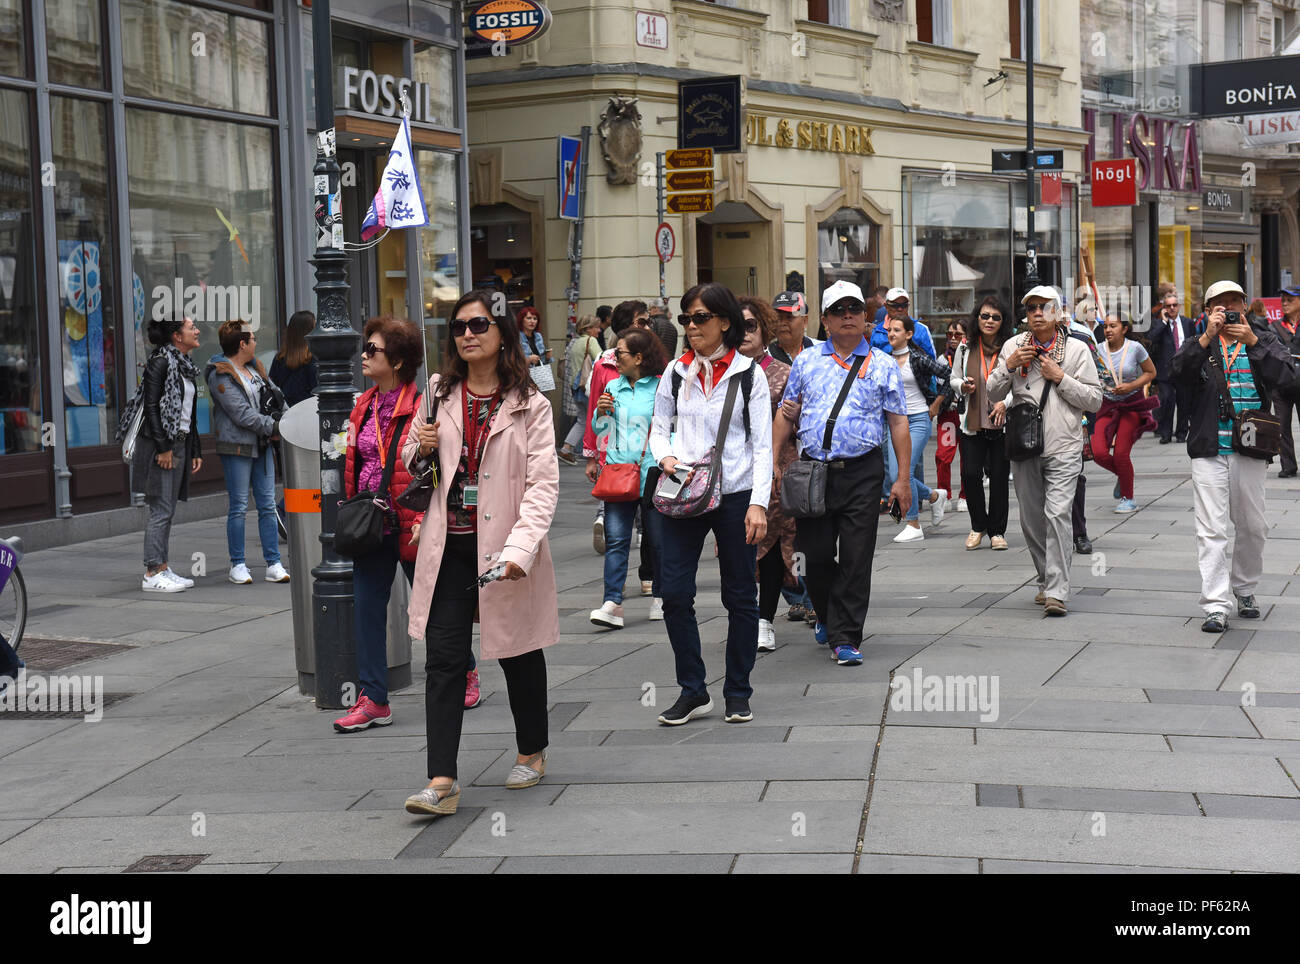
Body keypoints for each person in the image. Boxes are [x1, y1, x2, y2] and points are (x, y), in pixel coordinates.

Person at [401, 291, 560, 816]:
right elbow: (412, 460)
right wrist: (418, 447)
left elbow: (542, 486)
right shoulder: (438, 391)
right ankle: (442, 779)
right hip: (449, 546)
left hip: (504, 547)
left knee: (517, 650)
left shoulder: (529, 404)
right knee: (443, 659)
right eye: (459, 327)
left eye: (479, 325)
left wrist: (520, 549)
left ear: (502, 334)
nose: (467, 334)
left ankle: (531, 749)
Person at [649, 283, 772, 725]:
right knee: (675, 594)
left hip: (736, 494)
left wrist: (759, 504)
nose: (692, 326)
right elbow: (658, 425)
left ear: (724, 322)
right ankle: (693, 690)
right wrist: (664, 457)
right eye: (687, 318)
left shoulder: (749, 375)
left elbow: (762, 446)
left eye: (700, 317)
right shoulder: (675, 372)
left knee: (740, 595)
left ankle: (738, 690)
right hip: (683, 490)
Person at [773, 279, 912, 666]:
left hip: (863, 472)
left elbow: (898, 423)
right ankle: (828, 610)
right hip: (813, 472)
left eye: (854, 310)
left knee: (856, 556)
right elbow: (786, 414)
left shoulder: (882, 365)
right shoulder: (806, 361)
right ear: (825, 321)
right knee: (811, 556)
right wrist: (772, 462)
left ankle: (846, 636)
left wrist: (902, 480)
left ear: (866, 318)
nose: (847, 316)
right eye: (838, 311)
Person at [332, 317, 450, 731]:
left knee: (433, 605)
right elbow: (357, 460)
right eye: (365, 348)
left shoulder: (422, 406)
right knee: (367, 610)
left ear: (397, 361)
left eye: (373, 350)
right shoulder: (362, 404)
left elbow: (431, 466)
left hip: (410, 520)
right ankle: (373, 699)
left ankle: (464, 670)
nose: (363, 355)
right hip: (371, 520)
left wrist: (424, 518)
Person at [1172, 280, 1300, 633]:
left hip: (1251, 448)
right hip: (1209, 449)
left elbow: (1289, 379)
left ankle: (1244, 588)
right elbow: (1177, 373)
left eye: (1235, 303)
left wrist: (1254, 343)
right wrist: (1204, 338)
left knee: (1254, 526)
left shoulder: (1263, 339)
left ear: (1245, 306)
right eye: (1221, 305)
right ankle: (1215, 604)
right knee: (1210, 530)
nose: (1229, 311)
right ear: (1208, 310)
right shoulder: (1200, 343)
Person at [987, 286, 1102, 617]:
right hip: (1024, 444)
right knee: (1030, 519)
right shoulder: (1013, 346)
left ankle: (1056, 591)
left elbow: (1095, 399)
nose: (1037, 313)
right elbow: (991, 391)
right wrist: (1007, 366)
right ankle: (1045, 577)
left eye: (1044, 307)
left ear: (1057, 312)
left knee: (1057, 514)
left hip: (1064, 444)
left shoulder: (1077, 350)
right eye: (1032, 308)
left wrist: (1060, 377)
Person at [589, 328, 668, 629]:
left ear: (638, 357)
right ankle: (612, 602)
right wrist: (600, 413)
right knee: (617, 539)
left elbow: (669, 428)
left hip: (653, 474)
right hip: (618, 473)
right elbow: (601, 431)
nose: (614, 358)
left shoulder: (661, 387)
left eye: (619, 353)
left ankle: (661, 596)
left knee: (658, 540)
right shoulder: (612, 385)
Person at [204, 321, 289, 585]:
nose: (256, 342)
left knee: (266, 505)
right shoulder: (220, 373)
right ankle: (237, 564)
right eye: (252, 338)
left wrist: (286, 417)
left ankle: (273, 563)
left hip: (262, 444)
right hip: (237, 446)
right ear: (241, 343)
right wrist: (274, 426)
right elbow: (240, 413)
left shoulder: (255, 368)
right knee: (239, 506)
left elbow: (276, 396)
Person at [738, 295, 794, 652]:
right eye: (737, 325)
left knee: (771, 545)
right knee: (737, 547)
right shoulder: (719, 373)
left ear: (764, 330)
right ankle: (744, 615)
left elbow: (796, 422)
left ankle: (764, 619)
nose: (744, 333)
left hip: (775, 469)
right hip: (730, 472)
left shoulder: (782, 373)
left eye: (750, 326)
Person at [131, 316, 203, 593]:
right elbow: (151, 408)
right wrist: (163, 448)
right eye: (190, 327)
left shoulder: (184, 365)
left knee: (168, 509)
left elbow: (189, 413)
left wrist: (194, 448)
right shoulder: (161, 362)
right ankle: (151, 572)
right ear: (176, 335)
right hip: (162, 445)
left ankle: (162, 566)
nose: (196, 330)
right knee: (160, 509)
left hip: (181, 444)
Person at [882, 313, 952, 543]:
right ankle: (934, 496)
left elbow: (948, 376)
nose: (892, 334)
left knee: (906, 472)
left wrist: (935, 405)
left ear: (909, 334)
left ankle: (913, 523)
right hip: (895, 423)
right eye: (890, 330)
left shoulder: (918, 358)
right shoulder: (883, 360)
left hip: (919, 419)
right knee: (895, 474)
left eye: (897, 330)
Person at [583, 301, 646, 554]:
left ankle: (647, 563)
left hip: (646, 448)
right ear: (626, 326)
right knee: (615, 492)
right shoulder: (604, 365)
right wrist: (591, 456)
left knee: (645, 503)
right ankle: (608, 525)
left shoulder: (655, 361)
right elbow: (594, 411)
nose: (647, 326)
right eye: (641, 321)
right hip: (613, 447)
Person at [950, 297, 1012, 550]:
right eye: (985, 316)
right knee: (970, 474)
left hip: (1001, 423)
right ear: (977, 318)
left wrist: (1004, 404)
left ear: (1002, 322)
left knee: (998, 478)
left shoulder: (1010, 348)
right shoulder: (965, 348)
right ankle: (978, 525)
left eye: (995, 317)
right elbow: (953, 378)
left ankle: (997, 531)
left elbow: (1018, 385)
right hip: (971, 423)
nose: (989, 321)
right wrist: (962, 385)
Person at [1091, 313, 1159, 513]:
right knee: (1098, 452)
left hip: (1131, 404)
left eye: (1113, 326)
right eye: (1106, 327)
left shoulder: (1135, 348)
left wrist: (1131, 386)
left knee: (1121, 453)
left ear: (1124, 328)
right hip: (1106, 405)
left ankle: (1128, 498)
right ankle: (1124, 476)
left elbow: (1151, 373)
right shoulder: (1097, 350)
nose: (1108, 330)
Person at [1147, 288, 1196, 444]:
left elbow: (1194, 343)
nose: (1172, 308)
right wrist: (1163, 322)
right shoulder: (1158, 323)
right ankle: (1165, 433)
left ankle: (1181, 433)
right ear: (1164, 308)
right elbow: (1152, 339)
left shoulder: (1187, 322)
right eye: (1169, 306)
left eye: (1174, 305)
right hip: (1165, 371)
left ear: (1179, 306)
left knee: (1183, 402)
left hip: (1183, 370)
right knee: (1167, 400)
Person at [559, 314, 602, 464]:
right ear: (588, 328)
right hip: (588, 386)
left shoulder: (575, 343)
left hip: (576, 387)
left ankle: (566, 448)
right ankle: (598, 451)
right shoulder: (591, 341)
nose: (599, 330)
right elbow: (600, 360)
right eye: (596, 327)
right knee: (599, 417)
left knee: (583, 420)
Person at [935, 319, 967, 512]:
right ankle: (944, 494)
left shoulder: (970, 354)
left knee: (968, 457)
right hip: (948, 413)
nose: (953, 339)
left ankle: (965, 495)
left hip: (966, 413)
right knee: (943, 456)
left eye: (957, 335)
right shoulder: (941, 359)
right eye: (949, 335)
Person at [1271, 285, 1300, 477]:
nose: (1285, 303)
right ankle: (1288, 466)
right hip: (1281, 384)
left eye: (1290, 299)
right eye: (1283, 300)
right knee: (1281, 427)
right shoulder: (1274, 326)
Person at [269, 310, 319, 407]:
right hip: (307, 414)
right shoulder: (313, 360)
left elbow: (273, 389)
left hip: (285, 414)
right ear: (309, 332)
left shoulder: (279, 359)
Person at [871, 287, 936, 358]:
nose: (900, 309)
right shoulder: (877, 332)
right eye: (895, 305)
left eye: (904, 305)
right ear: (886, 306)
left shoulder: (921, 329)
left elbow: (931, 361)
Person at [768, 290, 818, 365]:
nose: (783, 323)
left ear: (805, 321)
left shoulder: (821, 351)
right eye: (778, 318)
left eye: (789, 317)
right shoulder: (764, 357)